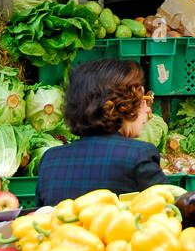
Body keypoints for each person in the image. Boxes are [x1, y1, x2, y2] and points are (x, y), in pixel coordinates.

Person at [34, 59, 162, 205]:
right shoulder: (138, 155)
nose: (147, 109)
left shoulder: (50, 160)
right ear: (122, 104)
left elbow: (40, 217)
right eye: (142, 100)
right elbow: (168, 211)